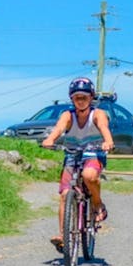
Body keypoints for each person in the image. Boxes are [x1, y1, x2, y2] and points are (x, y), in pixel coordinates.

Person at [41, 76, 114, 251]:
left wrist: (108, 141)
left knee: (89, 176)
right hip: (72, 156)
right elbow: (59, 128)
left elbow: (104, 127)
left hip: (93, 154)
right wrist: (50, 139)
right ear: (72, 99)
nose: (80, 101)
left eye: (84, 97)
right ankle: (63, 235)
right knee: (66, 194)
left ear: (91, 98)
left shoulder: (97, 114)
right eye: (77, 98)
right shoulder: (68, 115)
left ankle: (97, 204)